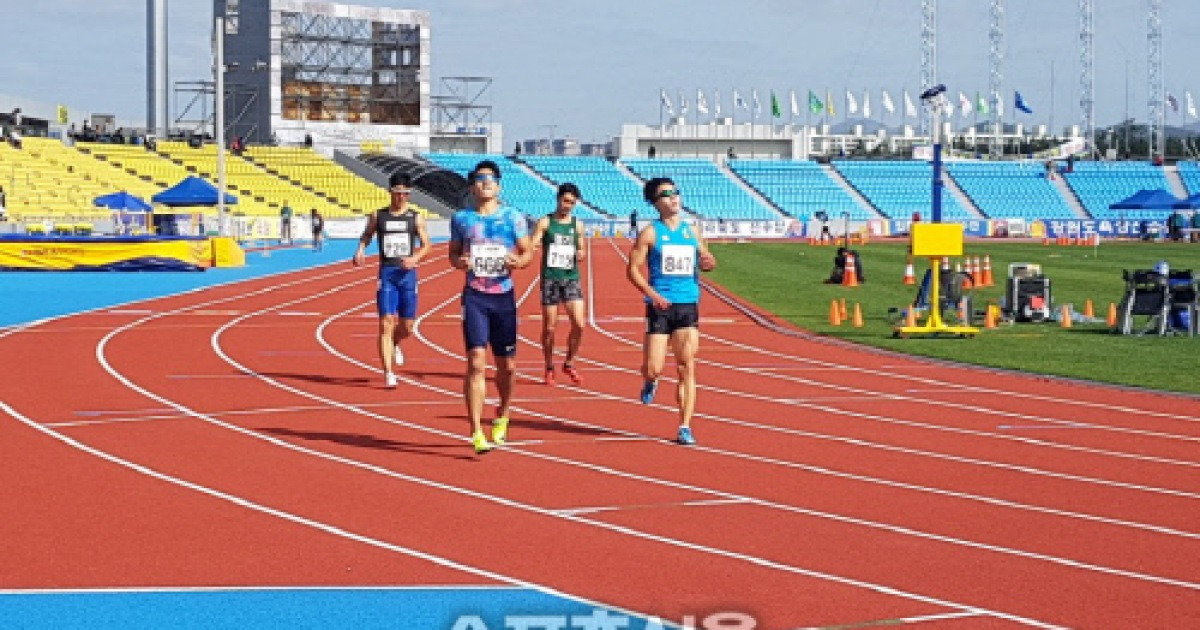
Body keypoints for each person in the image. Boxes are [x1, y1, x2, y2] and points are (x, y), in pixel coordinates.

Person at [449, 160, 533, 454]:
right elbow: (454, 255)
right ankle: (475, 431)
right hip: (475, 295)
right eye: (480, 178)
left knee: (506, 367)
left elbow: (527, 251)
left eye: (491, 178)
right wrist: (460, 262)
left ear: (498, 185)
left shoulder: (513, 217)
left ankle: (504, 413)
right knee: (475, 362)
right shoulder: (461, 219)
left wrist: (520, 262)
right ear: (472, 185)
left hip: (503, 297)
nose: (486, 183)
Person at [626, 177, 717, 446]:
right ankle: (650, 381)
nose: (673, 197)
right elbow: (631, 270)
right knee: (654, 368)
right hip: (659, 308)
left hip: (687, 304)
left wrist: (710, 262)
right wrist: (652, 295)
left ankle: (685, 426)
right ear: (655, 203)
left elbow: (706, 260)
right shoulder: (650, 233)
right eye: (665, 194)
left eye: (675, 192)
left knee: (686, 366)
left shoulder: (693, 231)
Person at [353, 174, 431, 389]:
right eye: (398, 193)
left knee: (407, 327)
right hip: (387, 274)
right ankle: (388, 372)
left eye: (406, 194)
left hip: (407, 275)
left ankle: (396, 341)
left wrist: (415, 258)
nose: (402, 197)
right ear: (391, 192)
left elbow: (426, 246)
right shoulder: (379, 215)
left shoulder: (416, 218)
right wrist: (360, 249)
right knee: (385, 322)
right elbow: (367, 234)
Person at [529, 183, 587, 386]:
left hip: (571, 277)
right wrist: (533, 245)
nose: (568, 206)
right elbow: (534, 241)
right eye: (565, 201)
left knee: (579, 324)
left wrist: (580, 254)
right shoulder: (546, 222)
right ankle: (549, 366)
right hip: (550, 279)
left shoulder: (577, 225)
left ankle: (569, 362)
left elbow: (582, 249)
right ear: (558, 199)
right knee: (550, 327)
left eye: (572, 202)